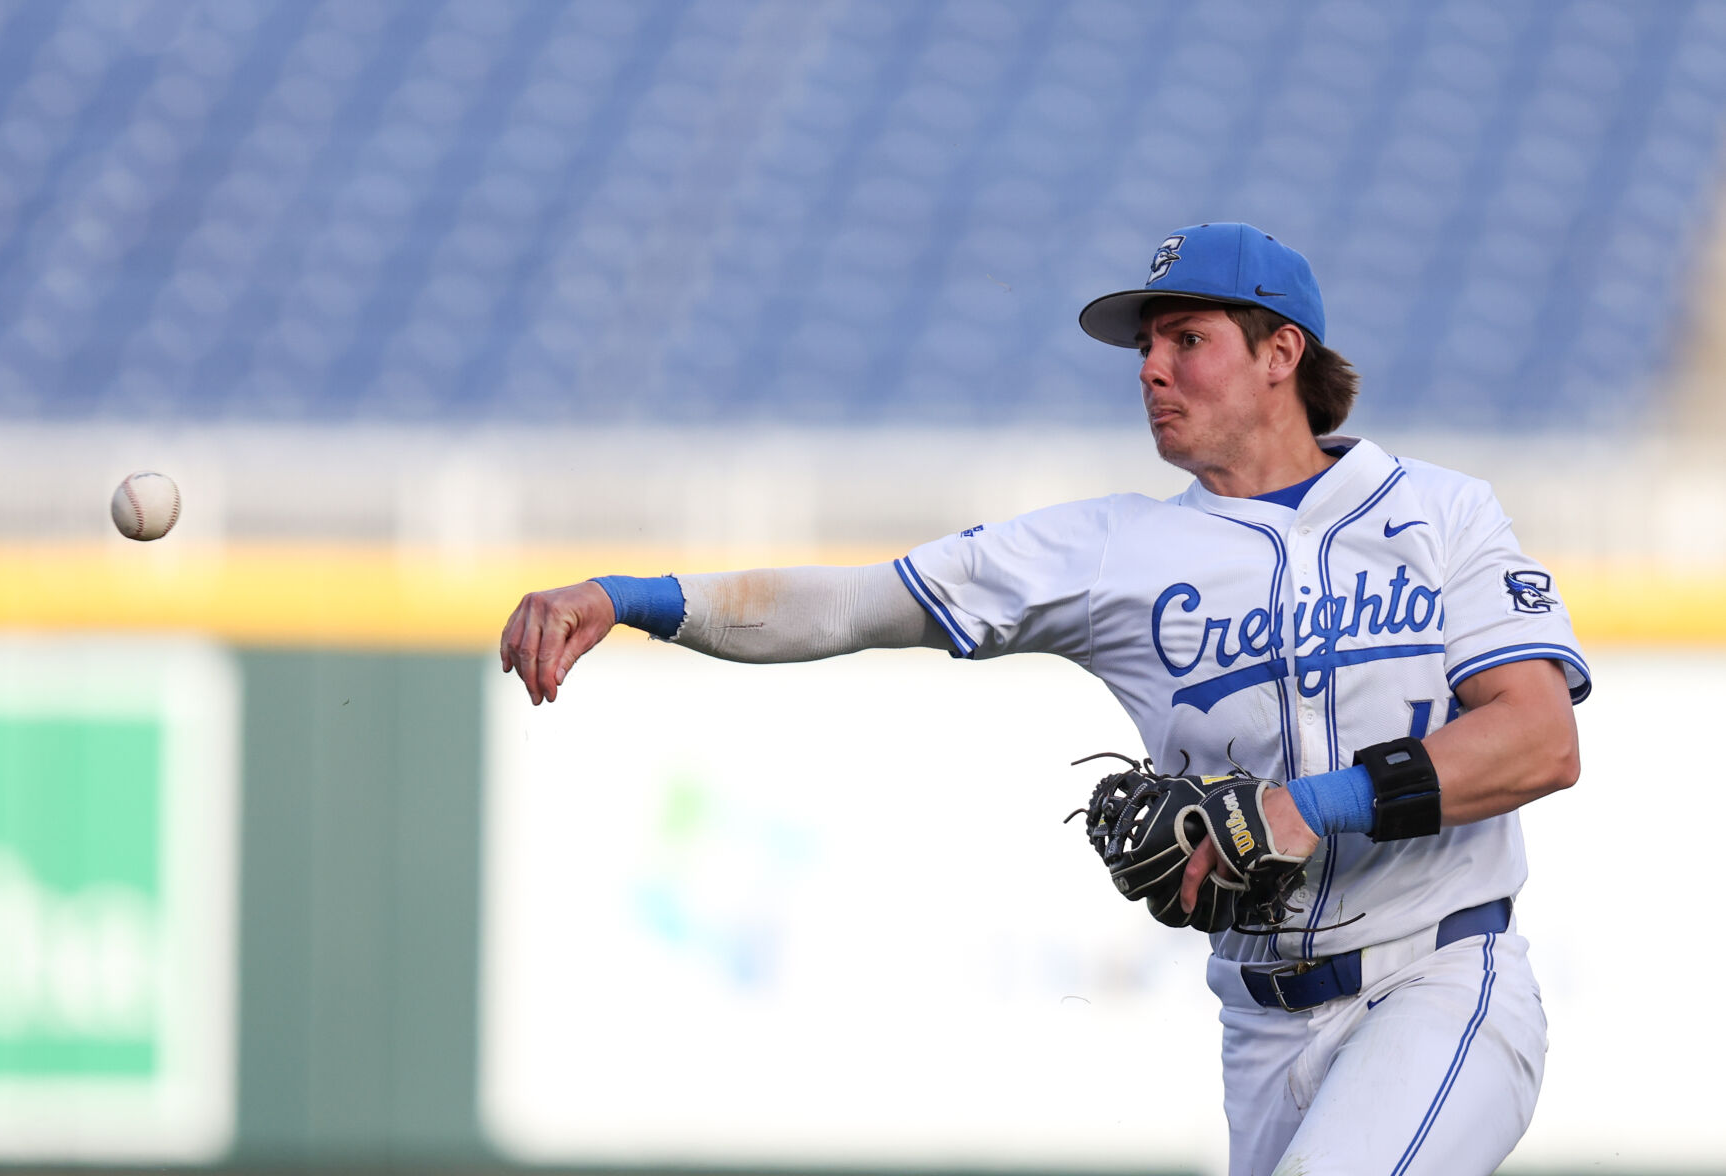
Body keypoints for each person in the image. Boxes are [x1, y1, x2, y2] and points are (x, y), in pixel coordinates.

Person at [499, 222, 1587, 1176]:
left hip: (1441, 974)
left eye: (1186, 339)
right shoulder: (1111, 551)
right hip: (1260, 1026)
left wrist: (1310, 807)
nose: (1151, 369)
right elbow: (856, 604)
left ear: (1279, 352)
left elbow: (1539, 741)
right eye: (1144, 347)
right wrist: (630, 597)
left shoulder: (1438, 513)